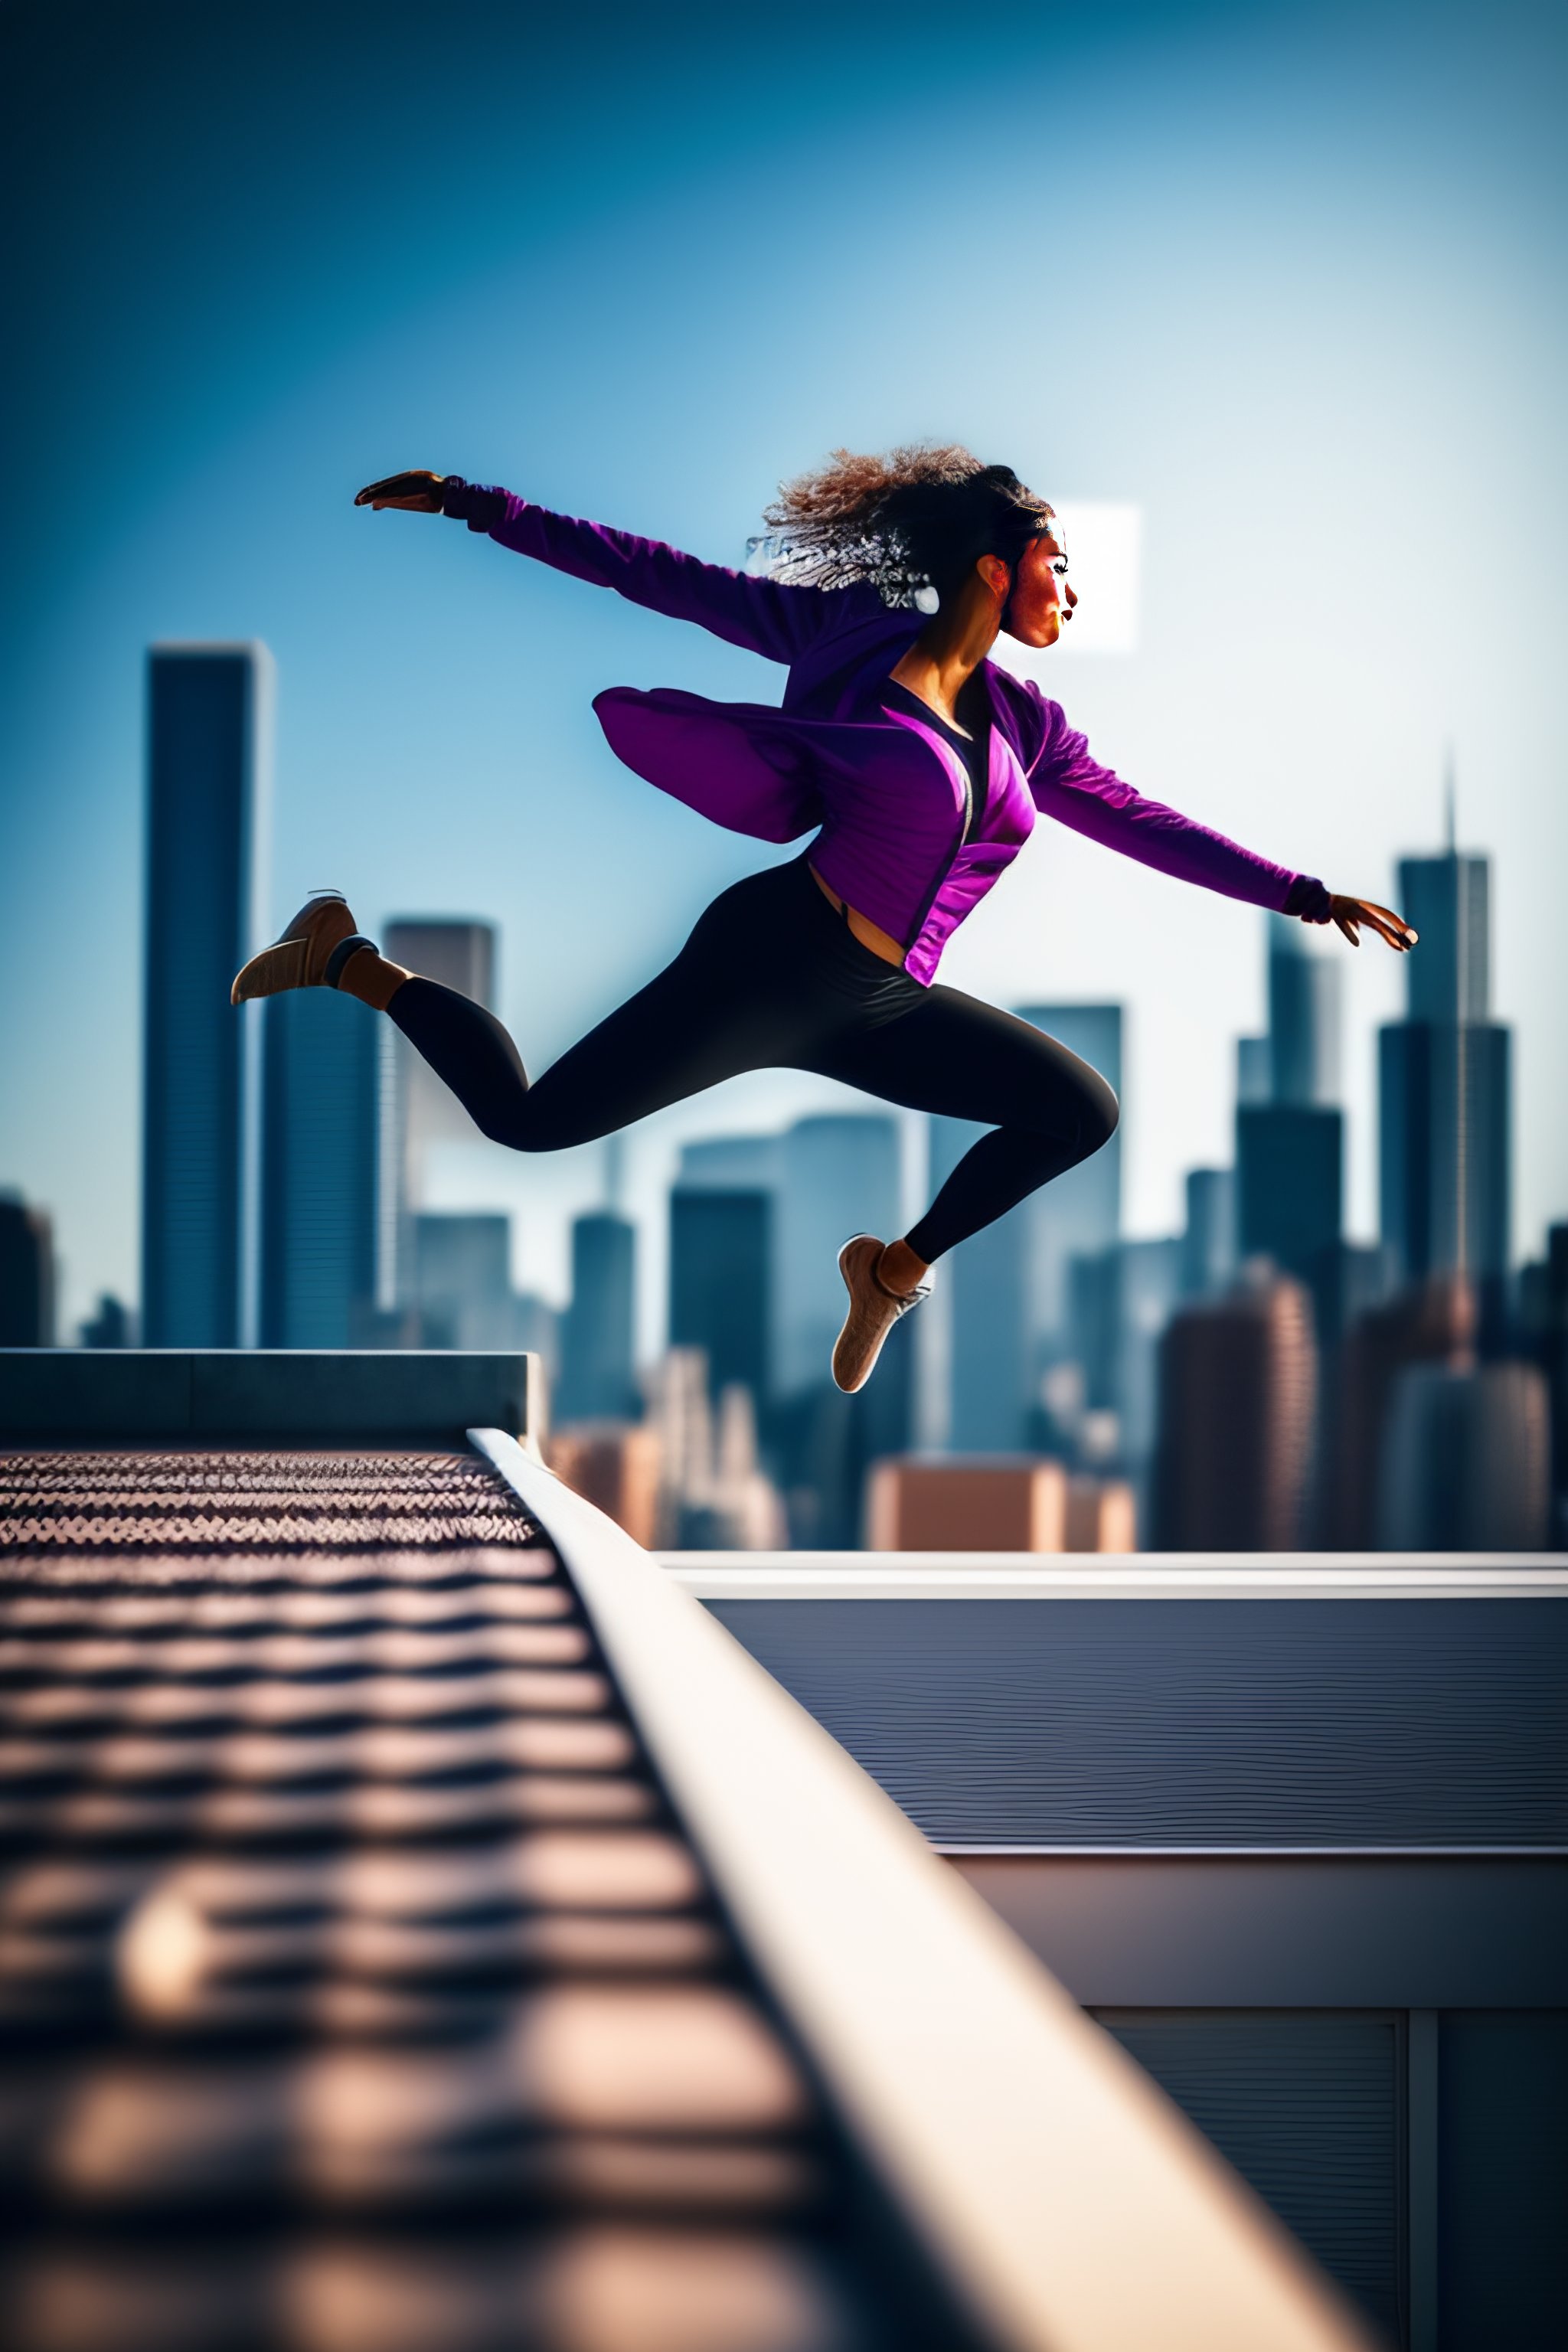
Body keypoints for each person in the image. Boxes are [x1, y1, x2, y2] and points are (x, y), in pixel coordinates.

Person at [232, 447, 1414, 1393]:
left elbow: (1141, 822)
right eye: (1060, 563)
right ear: (998, 567)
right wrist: (482, 507)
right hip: (769, 960)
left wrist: (1301, 894)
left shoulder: (1029, 728)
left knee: (1076, 1111)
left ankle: (891, 1272)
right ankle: (348, 959)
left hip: (882, 1003)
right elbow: (660, 575)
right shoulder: (845, 640)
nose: (1073, 591)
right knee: (531, 1124)